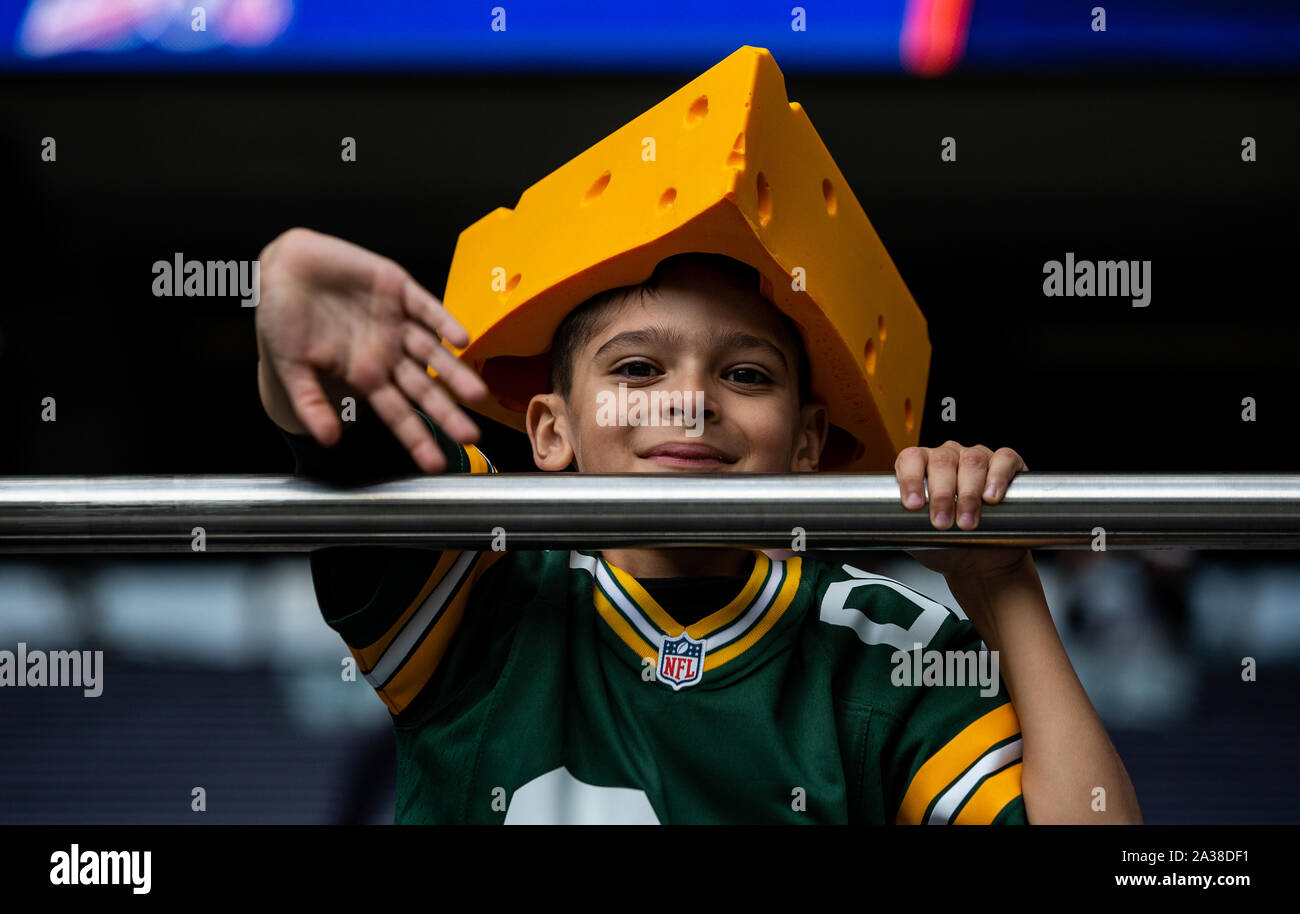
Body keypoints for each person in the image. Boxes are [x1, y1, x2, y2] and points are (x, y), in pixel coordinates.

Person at [254, 46, 1140, 824]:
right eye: (637, 370)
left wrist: (1002, 586)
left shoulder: (884, 645)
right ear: (551, 430)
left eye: (745, 375)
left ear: (805, 442)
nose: (688, 403)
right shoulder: (481, 582)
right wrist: (307, 347)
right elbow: (346, 433)